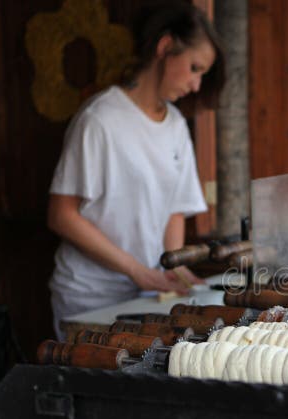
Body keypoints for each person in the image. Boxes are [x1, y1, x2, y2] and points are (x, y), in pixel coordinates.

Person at [47, 2, 225, 340]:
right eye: (194, 68)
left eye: (202, 74)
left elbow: (175, 210)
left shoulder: (175, 125)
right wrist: (136, 270)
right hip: (88, 299)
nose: (196, 85)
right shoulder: (100, 119)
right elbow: (61, 215)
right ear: (165, 47)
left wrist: (176, 269)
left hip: (148, 297)